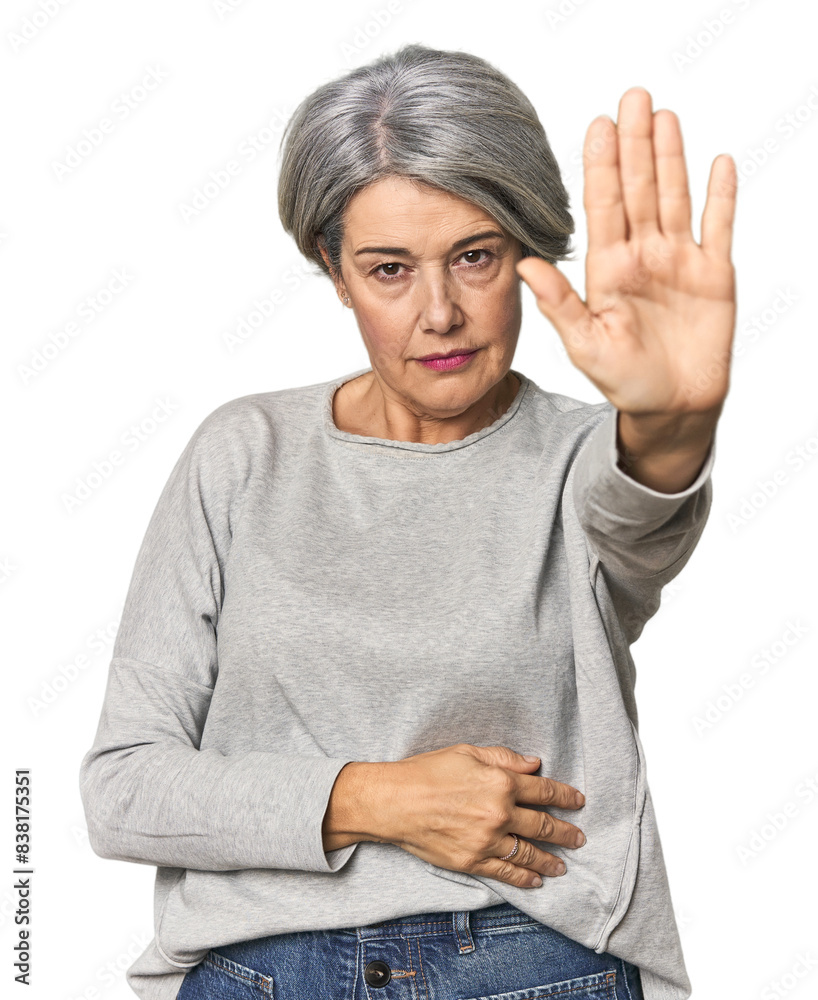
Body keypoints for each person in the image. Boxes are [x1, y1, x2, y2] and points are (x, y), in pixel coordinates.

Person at [78, 43, 736, 1000]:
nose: (441, 313)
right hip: (265, 965)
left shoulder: (583, 461)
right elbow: (123, 789)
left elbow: (646, 505)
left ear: (526, 253)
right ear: (334, 272)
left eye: (476, 256)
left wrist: (677, 420)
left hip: (537, 964)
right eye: (389, 269)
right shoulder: (241, 454)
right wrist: (377, 798)